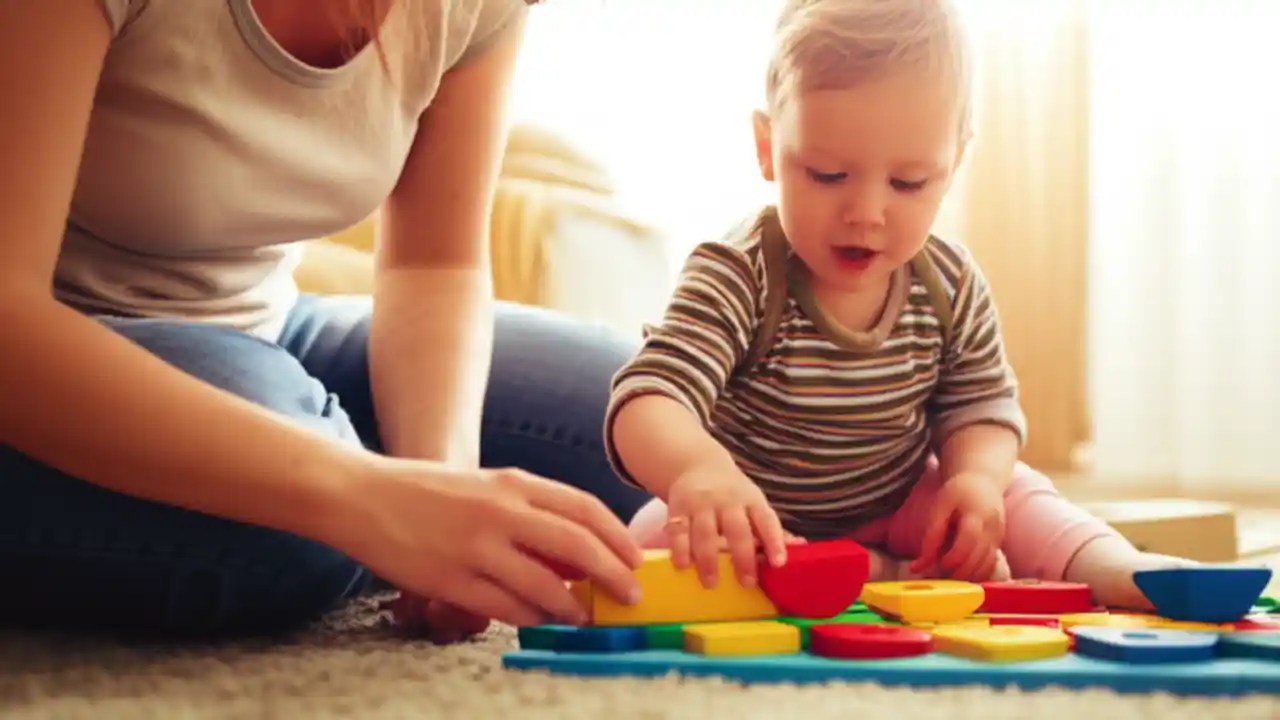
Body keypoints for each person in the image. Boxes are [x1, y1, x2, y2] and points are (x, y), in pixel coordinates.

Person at [0, 0, 652, 643]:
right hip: (55, 351)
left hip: (266, 326)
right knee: (302, 532)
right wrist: (366, 498)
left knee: (664, 421)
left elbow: (433, 264)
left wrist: (443, 483)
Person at [604, 0, 1190, 611]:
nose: (867, 213)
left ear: (954, 161)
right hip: (761, 519)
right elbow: (651, 397)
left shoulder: (950, 282)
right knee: (644, 547)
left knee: (1015, 495)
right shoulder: (738, 272)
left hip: (904, 504)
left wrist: (974, 480)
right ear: (766, 146)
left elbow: (982, 407)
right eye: (828, 174)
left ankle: (1112, 566)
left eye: (908, 183)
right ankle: (885, 575)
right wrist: (698, 471)